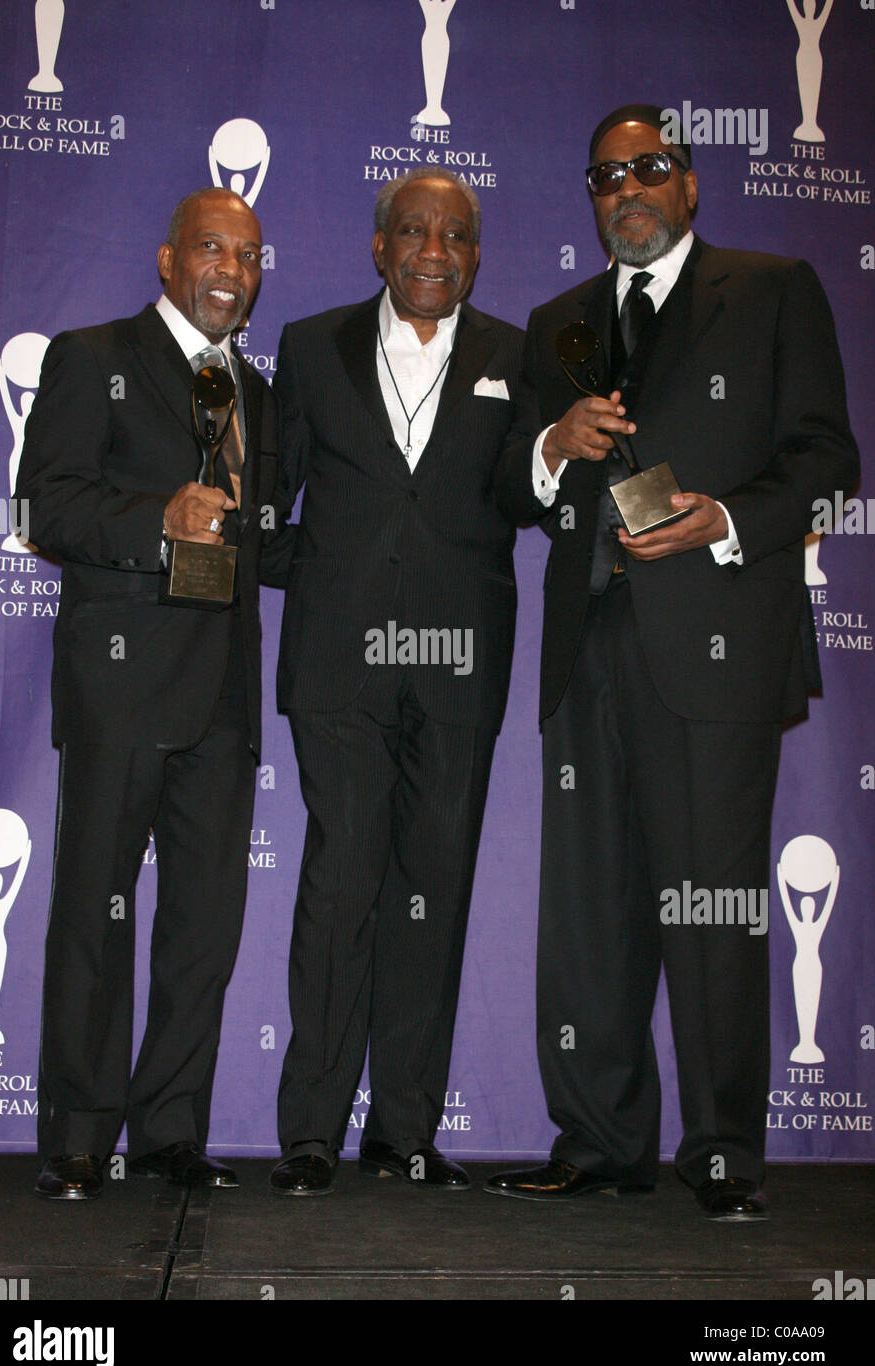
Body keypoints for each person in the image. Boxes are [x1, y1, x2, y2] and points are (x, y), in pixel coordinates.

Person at [487, 105, 858, 1219]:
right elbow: (508, 486)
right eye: (607, 177)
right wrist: (553, 447)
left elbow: (827, 456)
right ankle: (598, 1141)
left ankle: (722, 1152)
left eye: (650, 168)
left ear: (690, 185)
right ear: (591, 199)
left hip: (716, 645)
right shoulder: (558, 324)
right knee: (591, 914)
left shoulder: (776, 284)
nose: (628, 189)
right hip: (588, 650)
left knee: (709, 909)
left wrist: (726, 520)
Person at [16, 187, 283, 1199]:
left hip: (223, 695)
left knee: (203, 926)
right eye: (212, 247)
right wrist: (156, 518)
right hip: (121, 684)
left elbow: (265, 538)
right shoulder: (91, 357)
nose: (231, 267)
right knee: (96, 911)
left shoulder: (254, 390)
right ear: (168, 260)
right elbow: (44, 502)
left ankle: (171, 1130)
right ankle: (79, 1136)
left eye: (249, 254)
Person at [269, 168, 523, 1195]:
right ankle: (311, 1132)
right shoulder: (310, 345)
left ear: (475, 254)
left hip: (460, 667)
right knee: (341, 882)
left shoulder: (517, 355)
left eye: (455, 235)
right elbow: (266, 496)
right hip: (338, 663)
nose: (433, 248)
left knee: (434, 890)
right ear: (379, 248)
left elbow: (534, 489)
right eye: (414, 231)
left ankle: (406, 1129)